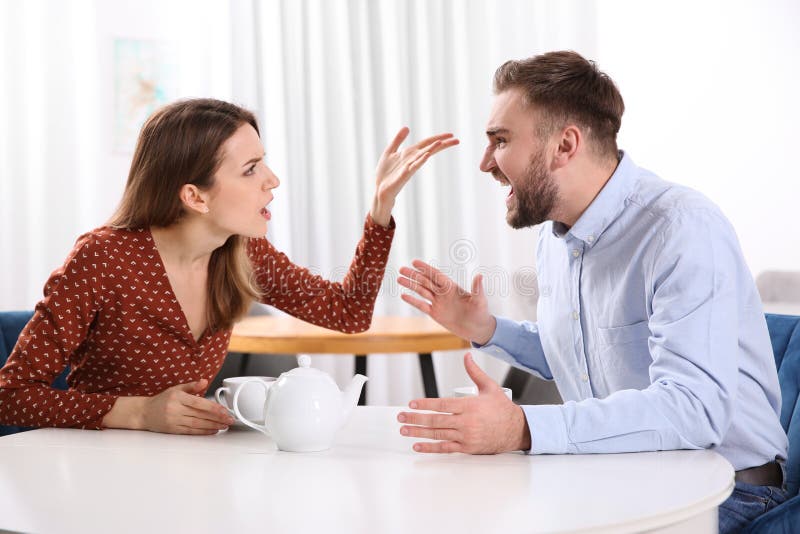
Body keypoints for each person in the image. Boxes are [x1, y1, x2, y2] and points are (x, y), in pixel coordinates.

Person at [395, 51, 788, 532]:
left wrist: (522, 427)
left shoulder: (680, 230)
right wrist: (485, 328)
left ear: (565, 145)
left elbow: (695, 410)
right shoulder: (555, 239)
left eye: (500, 141)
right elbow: (582, 354)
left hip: (728, 493)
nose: (484, 163)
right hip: (621, 478)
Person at [0, 98, 457, 435]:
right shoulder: (102, 259)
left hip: (188, 474)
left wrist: (380, 208)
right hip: (95, 474)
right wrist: (137, 412)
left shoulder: (242, 253)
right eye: (251, 169)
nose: (272, 181)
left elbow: (347, 314)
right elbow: (11, 397)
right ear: (194, 196)